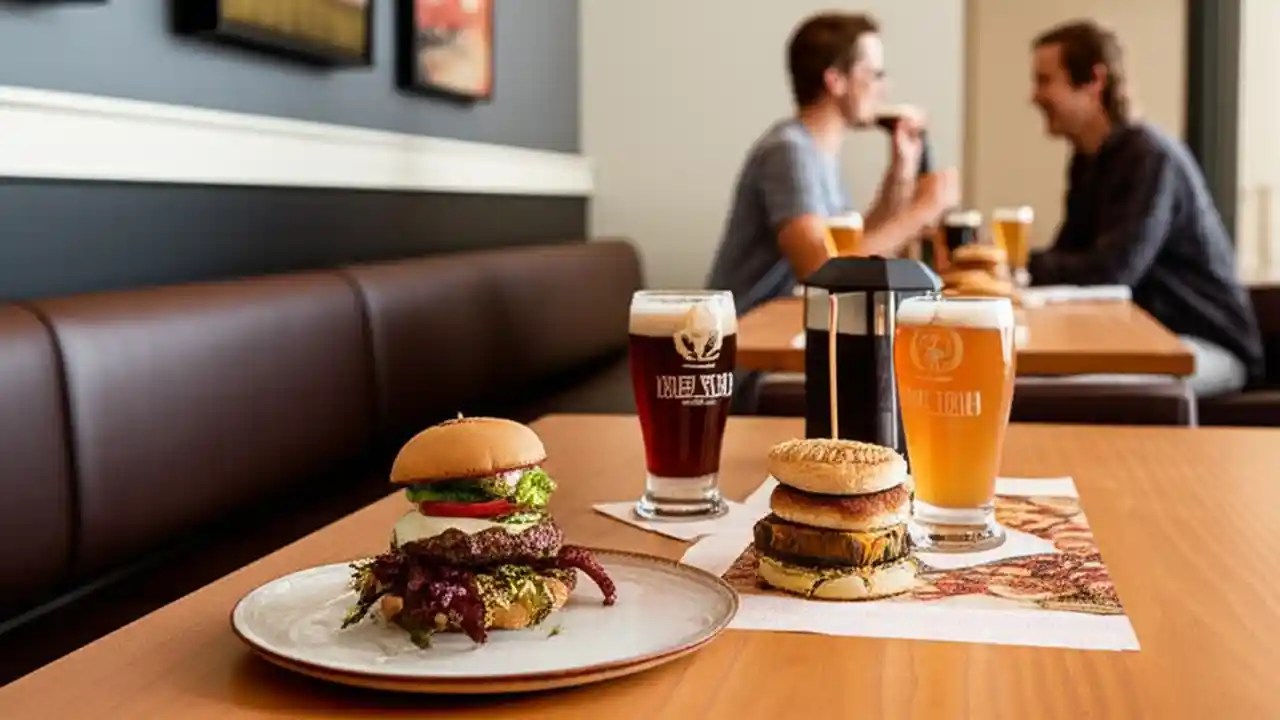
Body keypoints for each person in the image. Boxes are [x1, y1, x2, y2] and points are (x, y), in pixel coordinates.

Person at [1027, 20, 1263, 397]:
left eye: (1044, 80)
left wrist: (1018, 266)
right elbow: (1069, 260)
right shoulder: (1088, 161)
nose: (1034, 96)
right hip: (1145, 342)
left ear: (1093, 81)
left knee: (1072, 394)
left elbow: (1113, 271)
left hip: (1206, 346)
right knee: (1032, 382)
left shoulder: (1150, 157)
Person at [706, 13, 959, 316]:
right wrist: (924, 210)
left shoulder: (816, 152)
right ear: (836, 80)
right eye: (876, 74)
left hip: (787, 335)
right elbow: (824, 273)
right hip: (749, 344)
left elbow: (852, 254)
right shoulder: (788, 151)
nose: (885, 87)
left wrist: (899, 175)